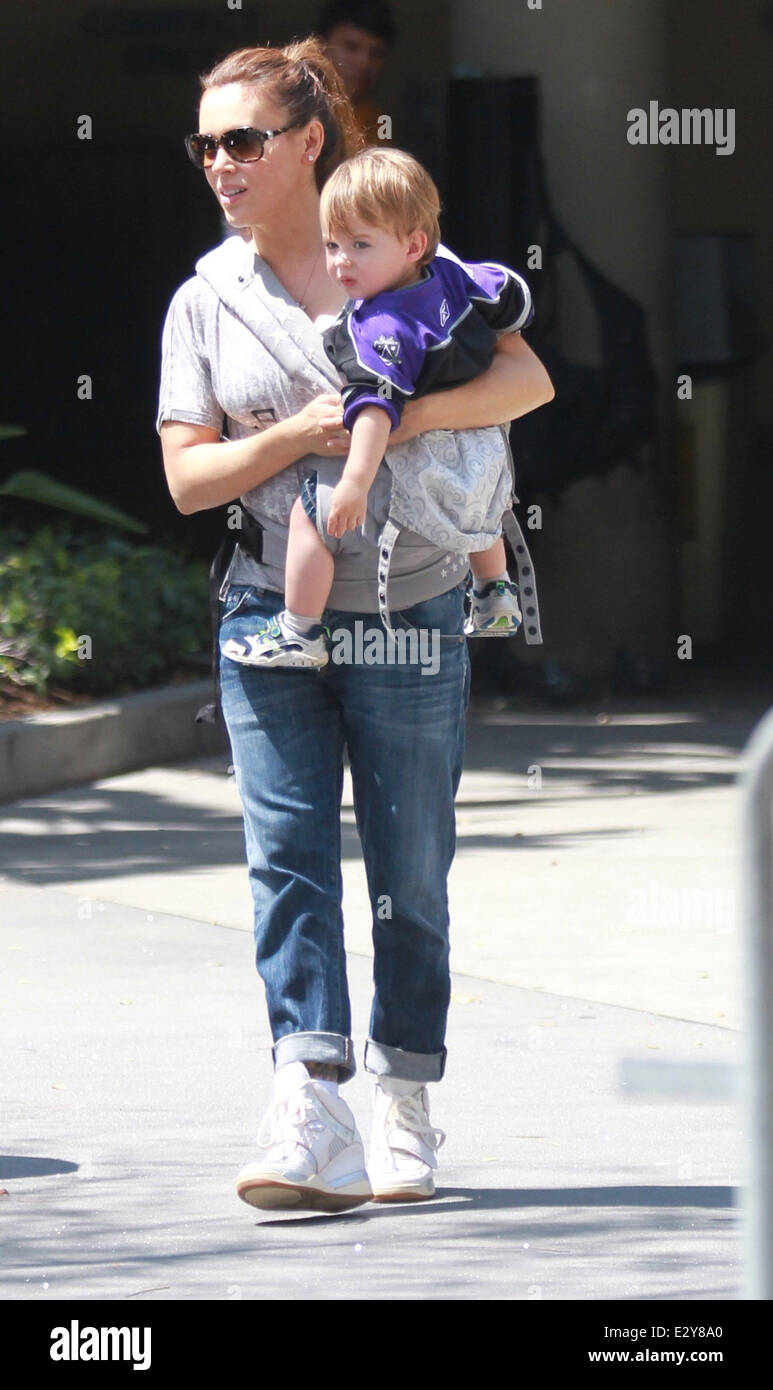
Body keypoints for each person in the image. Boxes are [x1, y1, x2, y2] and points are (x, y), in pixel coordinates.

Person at [158, 36, 554, 1212]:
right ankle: (308, 1102)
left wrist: (396, 411)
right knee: (285, 861)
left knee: (409, 869)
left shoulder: (392, 257)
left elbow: (524, 380)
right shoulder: (204, 296)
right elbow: (188, 479)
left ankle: (405, 1099)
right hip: (263, 606)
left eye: (242, 140)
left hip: (415, 595)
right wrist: (300, 438)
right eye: (205, 144)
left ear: (308, 143)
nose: (220, 164)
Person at [221, 146, 530, 672]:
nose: (341, 261)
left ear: (412, 245)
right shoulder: (452, 275)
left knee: (309, 517)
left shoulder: (378, 326)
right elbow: (509, 294)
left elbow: (375, 410)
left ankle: (298, 628)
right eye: (332, 245)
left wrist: (354, 483)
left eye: (360, 245)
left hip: (411, 456)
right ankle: (496, 589)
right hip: (478, 435)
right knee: (485, 504)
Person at [316, 0, 396, 143]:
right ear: (320, 46)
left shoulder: (379, 122)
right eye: (351, 47)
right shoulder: (295, 113)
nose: (364, 63)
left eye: (377, 53)